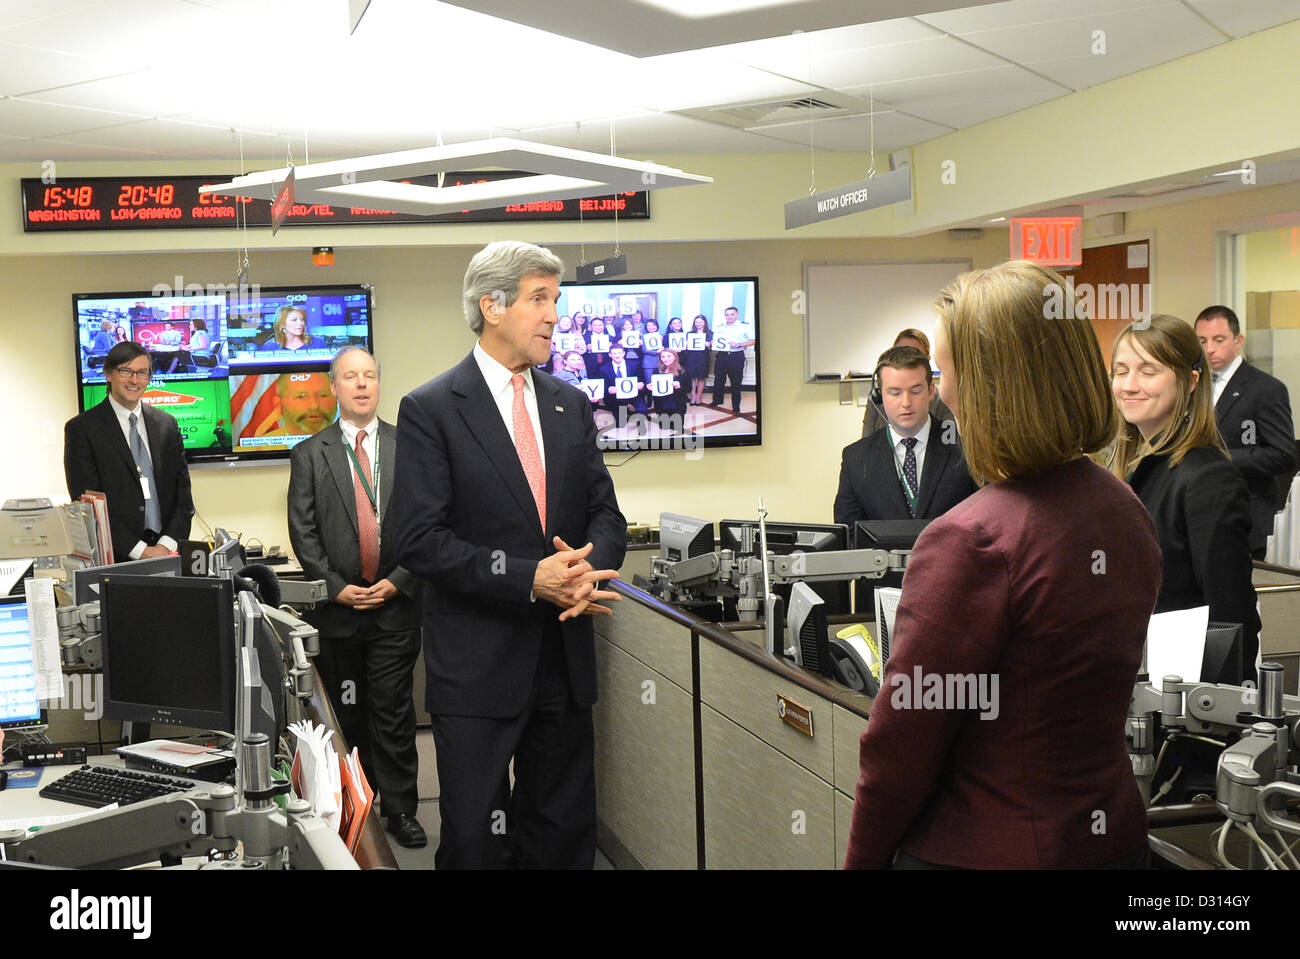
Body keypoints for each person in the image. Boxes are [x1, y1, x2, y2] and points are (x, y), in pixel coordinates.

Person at [844, 260, 1162, 870]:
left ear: (989, 385)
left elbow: (899, 754)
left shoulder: (972, 540)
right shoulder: (1121, 504)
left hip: (985, 849)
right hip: (1107, 839)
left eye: (943, 372)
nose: (941, 392)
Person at [392, 240, 626, 869]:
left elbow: (606, 514)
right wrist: (530, 579)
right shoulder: (431, 410)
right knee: (475, 842)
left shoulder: (569, 404)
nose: (555, 315)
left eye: (557, 299)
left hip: (564, 663)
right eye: (539, 299)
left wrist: (584, 569)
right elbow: (417, 541)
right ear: (491, 307)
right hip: (478, 670)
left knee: (562, 836)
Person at [287, 346, 427, 849]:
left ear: (379, 384)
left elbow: (431, 522)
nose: (362, 385)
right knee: (345, 716)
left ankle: (401, 809)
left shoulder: (410, 446)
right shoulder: (309, 453)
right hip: (337, 612)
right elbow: (303, 533)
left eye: (370, 376)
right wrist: (333, 587)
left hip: (396, 605)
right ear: (334, 387)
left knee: (392, 711)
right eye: (351, 377)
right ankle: (351, 809)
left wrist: (401, 579)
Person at [1111, 314, 1260, 682]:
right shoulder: (1135, 468)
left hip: (1183, 699)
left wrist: (1210, 715)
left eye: (1148, 371)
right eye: (1120, 370)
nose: (1129, 385)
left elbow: (1230, 616)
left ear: (1190, 381)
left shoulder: (1207, 477)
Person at [64, 342, 194, 562]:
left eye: (142, 373)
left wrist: (165, 546)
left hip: (168, 553)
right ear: (108, 374)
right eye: (126, 371)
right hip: (117, 560)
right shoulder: (82, 429)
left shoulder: (166, 425)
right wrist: (140, 551)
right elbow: (88, 505)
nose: (135, 381)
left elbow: (183, 498)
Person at [833, 345, 975, 530]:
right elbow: (849, 536)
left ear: (931, 391)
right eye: (895, 393)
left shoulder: (965, 447)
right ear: (880, 396)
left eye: (915, 391)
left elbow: (986, 520)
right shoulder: (856, 458)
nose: (906, 402)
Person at [1195, 305, 1297, 559]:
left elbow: (1283, 455)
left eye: (1219, 340)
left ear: (1238, 340)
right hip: (1200, 515)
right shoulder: (1192, 386)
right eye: (1202, 341)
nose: (1209, 349)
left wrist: (1219, 458)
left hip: (1247, 518)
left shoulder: (1266, 389)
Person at [861, 328, 955, 438]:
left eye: (915, 355)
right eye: (900, 354)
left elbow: (951, 445)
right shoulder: (877, 399)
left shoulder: (943, 399)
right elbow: (866, 442)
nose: (906, 361)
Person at [260, 372, 338, 437]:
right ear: (278, 405)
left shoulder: (349, 440)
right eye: (301, 396)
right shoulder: (260, 447)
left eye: (323, 395)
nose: (314, 405)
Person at [709, 307, 753, 412]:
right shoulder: (719, 327)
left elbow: (753, 340)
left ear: (737, 314)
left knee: (736, 382)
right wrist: (711, 343)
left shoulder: (744, 327)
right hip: (721, 356)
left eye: (732, 314)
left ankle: (736, 405)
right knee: (719, 380)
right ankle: (717, 401)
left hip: (736, 356)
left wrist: (739, 344)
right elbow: (715, 340)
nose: (729, 317)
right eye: (727, 314)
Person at [650, 349, 689, 419]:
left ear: (675, 357)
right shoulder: (656, 370)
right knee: (664, 426)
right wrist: (650, 388)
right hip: (662, 404)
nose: (665, 359)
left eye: (669, 356)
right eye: (663, 356)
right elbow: (655, 391)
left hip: (676, 404)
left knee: (677, 426)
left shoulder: (682, 371)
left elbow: (688, 388)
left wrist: (679, 386)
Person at [681, 315, 709, 405]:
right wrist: (685, 343)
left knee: (701, 377)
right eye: (696, 322)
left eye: (700, 322)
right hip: (691, 357)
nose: (698, 324)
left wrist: (708, 344)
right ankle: (693, 395)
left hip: (703, 357)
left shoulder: (709, 333)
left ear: (704, 322)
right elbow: (684, 347)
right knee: (692, 377)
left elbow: (712, 347)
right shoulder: (690, 333)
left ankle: (698, 396)